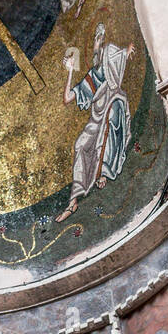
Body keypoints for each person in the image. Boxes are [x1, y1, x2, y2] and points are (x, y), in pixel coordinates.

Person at [57, 23, 134, 220]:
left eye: (99, 40)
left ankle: (105, 172)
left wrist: (128, 49)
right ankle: (73, 201)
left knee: (112, 116)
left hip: (112, 104)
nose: (97, 44)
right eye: (95, 40)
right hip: (95, 117)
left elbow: (122, 56)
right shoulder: (90, 77)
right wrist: (70, 72)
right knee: (80, 145)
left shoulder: (109, 55)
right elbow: (67, 99)